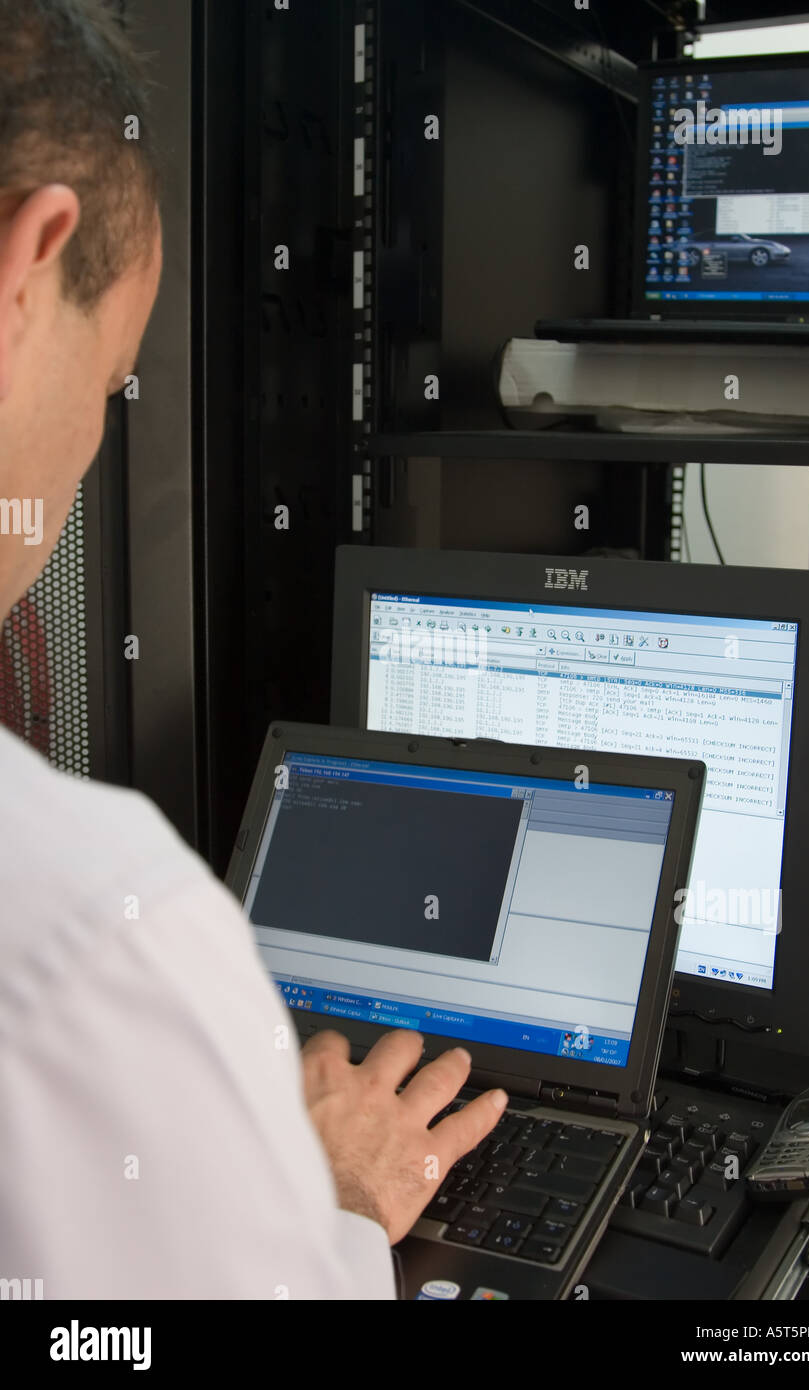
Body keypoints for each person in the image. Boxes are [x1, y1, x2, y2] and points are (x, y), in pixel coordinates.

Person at [0, 0, 506, 1300]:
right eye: (114, 377)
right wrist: (322, 1205)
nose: (96, 446)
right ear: (26, 265)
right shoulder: (98, 930)